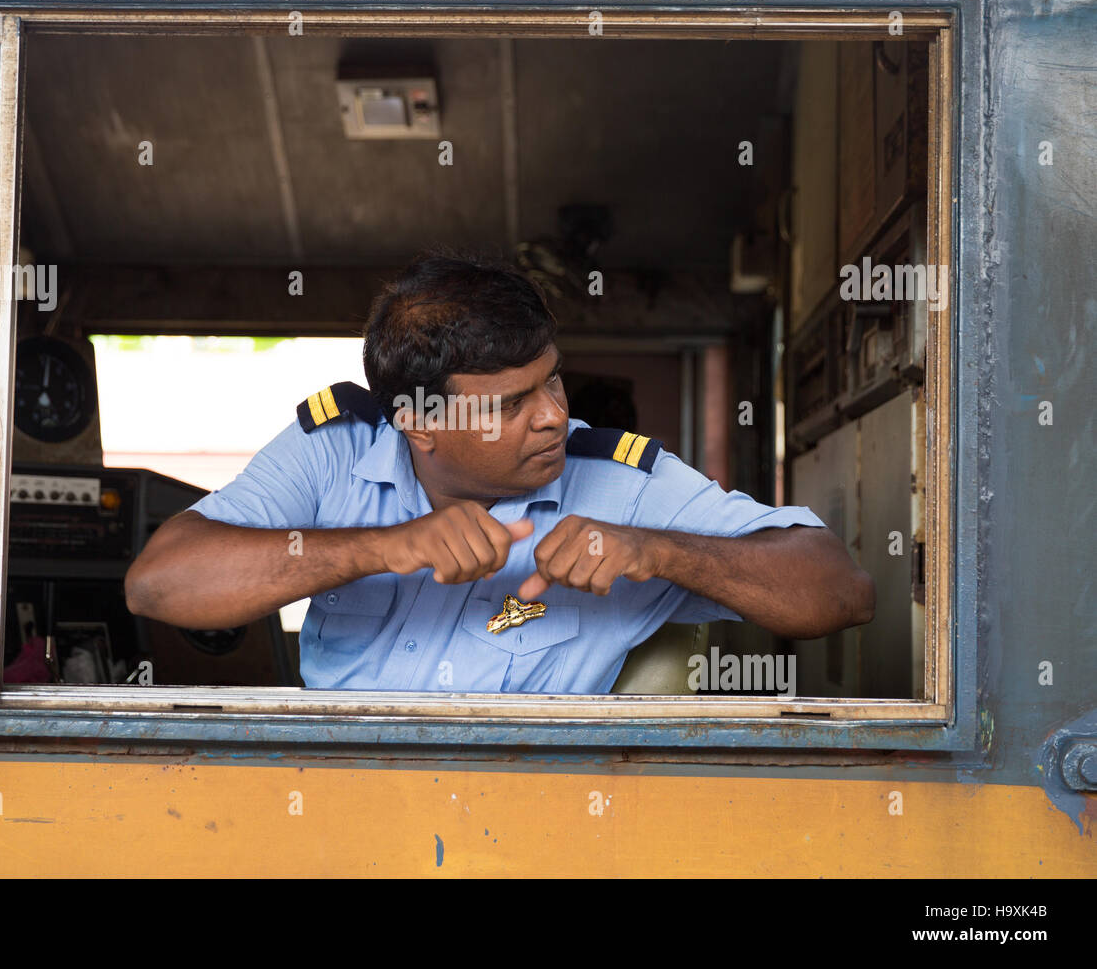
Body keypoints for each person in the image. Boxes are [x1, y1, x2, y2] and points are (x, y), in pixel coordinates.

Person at [124, 251, 875, 693]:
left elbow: (842, 592)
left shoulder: (624, 484)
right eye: (510, 404)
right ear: (417, 423)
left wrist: (660, 551)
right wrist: (384, 549)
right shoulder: (333, 452)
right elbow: (161, 584)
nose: (552, 415)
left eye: (551, 381)